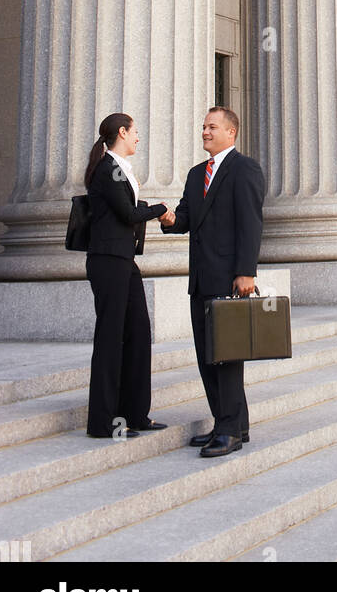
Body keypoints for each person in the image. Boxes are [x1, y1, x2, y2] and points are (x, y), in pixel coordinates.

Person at [160, 106, 265, 457]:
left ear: (231, 132)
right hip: (200, 280)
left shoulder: (244, 169)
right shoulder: (194, 174)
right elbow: (187, 218)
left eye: (212, 127)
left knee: (228, 356)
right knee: (208, 356)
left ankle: (229, 432)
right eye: (203, 126)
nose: (205, 132)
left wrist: (246, 271)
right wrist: (168, 218)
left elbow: (250, 223)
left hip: (230, 278)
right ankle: (233, 423)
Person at [84, 112, 172, 439]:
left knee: (137, 332)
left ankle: (135, 414)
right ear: (122, 132)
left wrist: (150, 207)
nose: (138, 137)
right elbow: (128, 213)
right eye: (135, 132)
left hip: (123, 260)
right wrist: (160, 209)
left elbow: (126, 210)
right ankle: (103, 422)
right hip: (108, 261)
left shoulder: (118, 170)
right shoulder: (109, 169)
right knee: (110, 338)